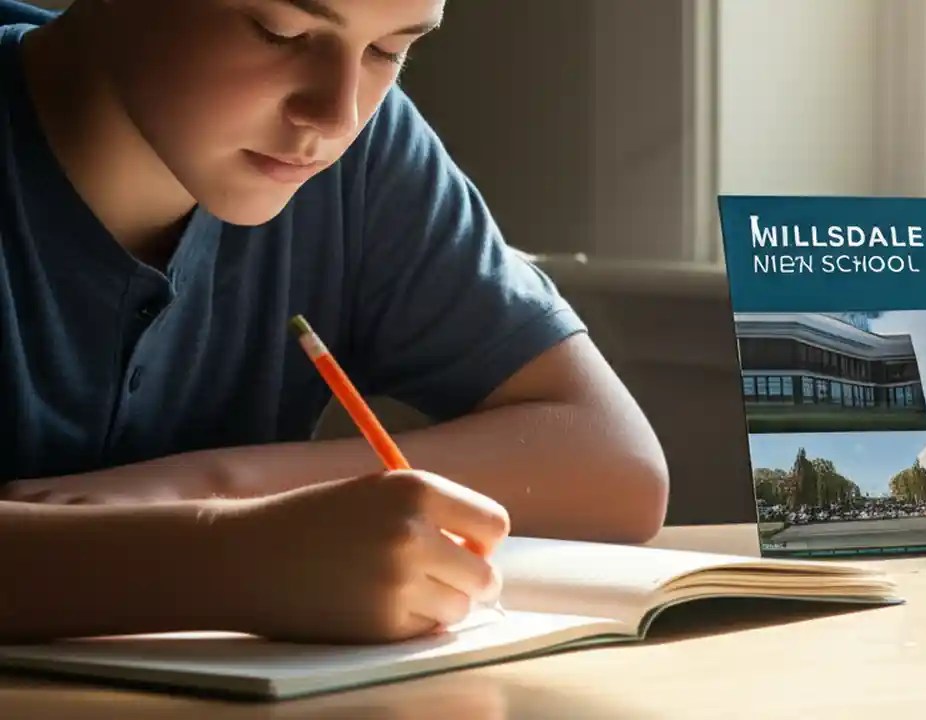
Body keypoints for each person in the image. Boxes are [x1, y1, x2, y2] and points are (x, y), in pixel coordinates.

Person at [0, 0, 669, 644]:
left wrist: (209, 487)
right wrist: (230, 559)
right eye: (280, 31)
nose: (337, 112)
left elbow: (616, 464)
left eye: (390, 49)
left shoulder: (358, 162)